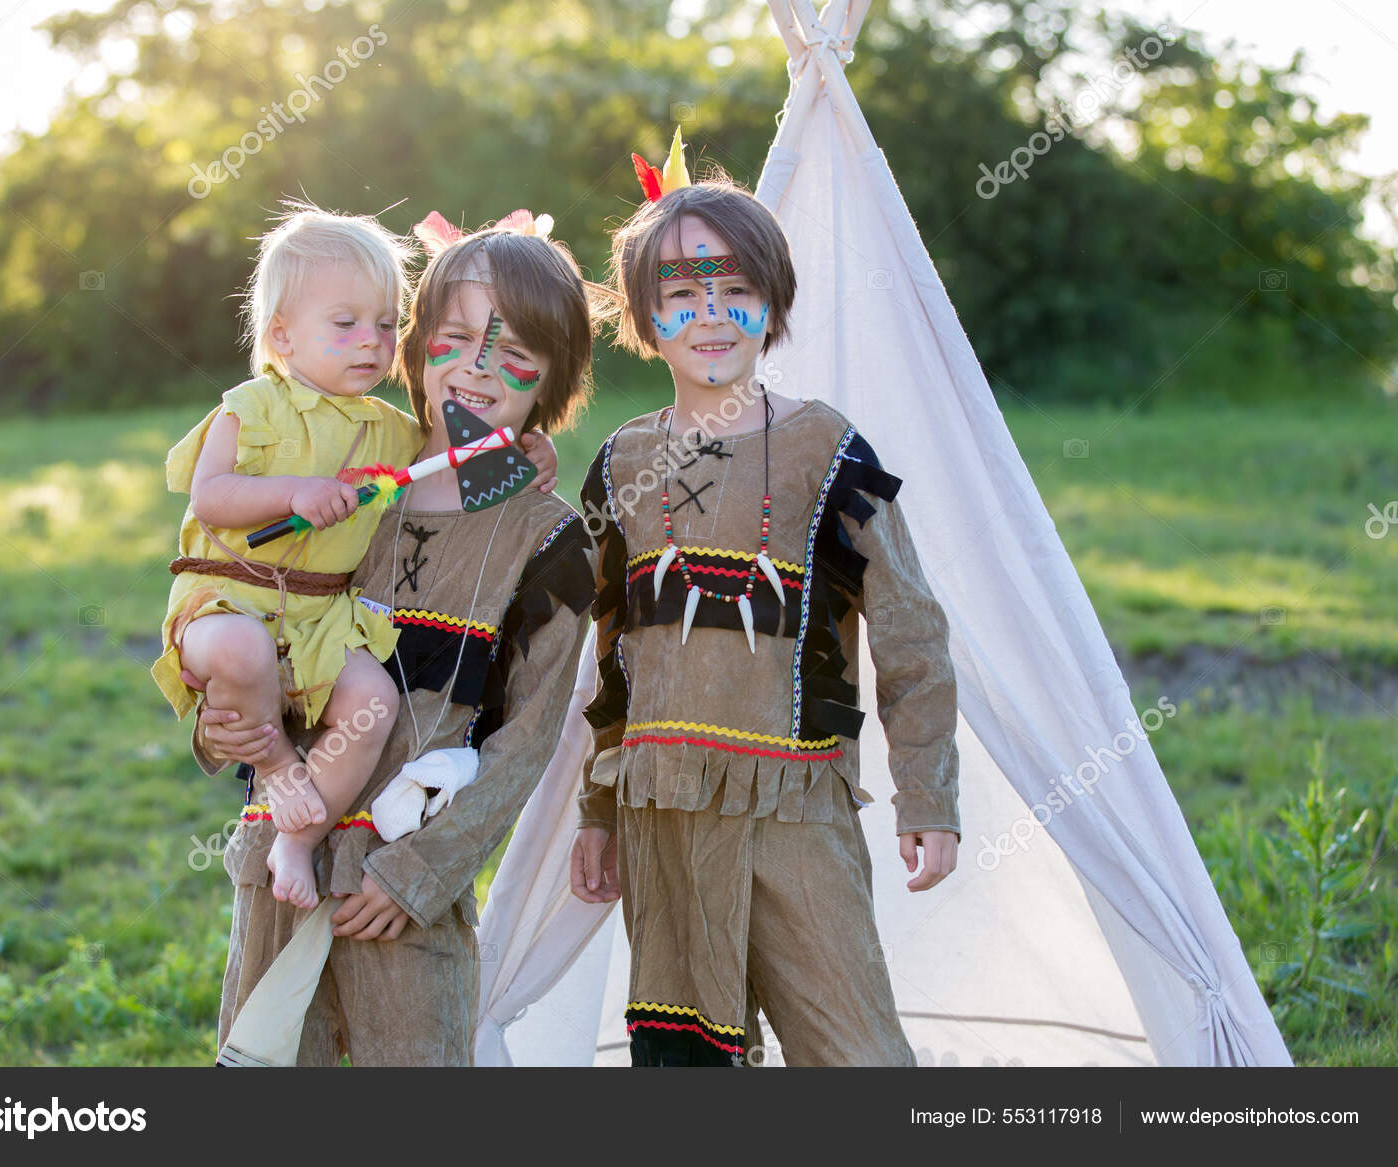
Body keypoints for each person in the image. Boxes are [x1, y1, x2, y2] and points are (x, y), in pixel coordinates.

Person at [568, 144, 961, 1067]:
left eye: (734, 288)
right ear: (647, 318)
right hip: (661, 813)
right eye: (681, 293)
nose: (711, 315)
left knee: (855, 1050)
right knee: (688, 1060)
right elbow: (609, 656)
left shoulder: (831, 452)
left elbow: (912, 633)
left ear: (772, 305)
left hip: (797, 809)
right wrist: (596, 811)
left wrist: (928, 796)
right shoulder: (621, 464)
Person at [188, 214, 598, 1066]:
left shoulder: (550, 541)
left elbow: (527, 741)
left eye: (514, 348)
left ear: (554, 373)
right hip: (282, 853)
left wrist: (418, 875)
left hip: (401, 886)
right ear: (415, 351)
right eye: (455, 339)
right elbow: (252, 626)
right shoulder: (355, 486)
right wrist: (217, 724)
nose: (480, 370)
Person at [151, 205, 555, 911]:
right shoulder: (251, 407)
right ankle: (280, 770)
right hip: (230, 596)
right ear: (283, 334)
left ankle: (297, 839)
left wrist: (527, 451)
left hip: (319, 613)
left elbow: (456, 459)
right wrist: (295, 492)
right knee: (243, 653)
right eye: (345, 325)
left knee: (372, 705)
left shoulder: (390, 431)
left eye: (386, 324)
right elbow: (211, 497)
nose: (371, 342)